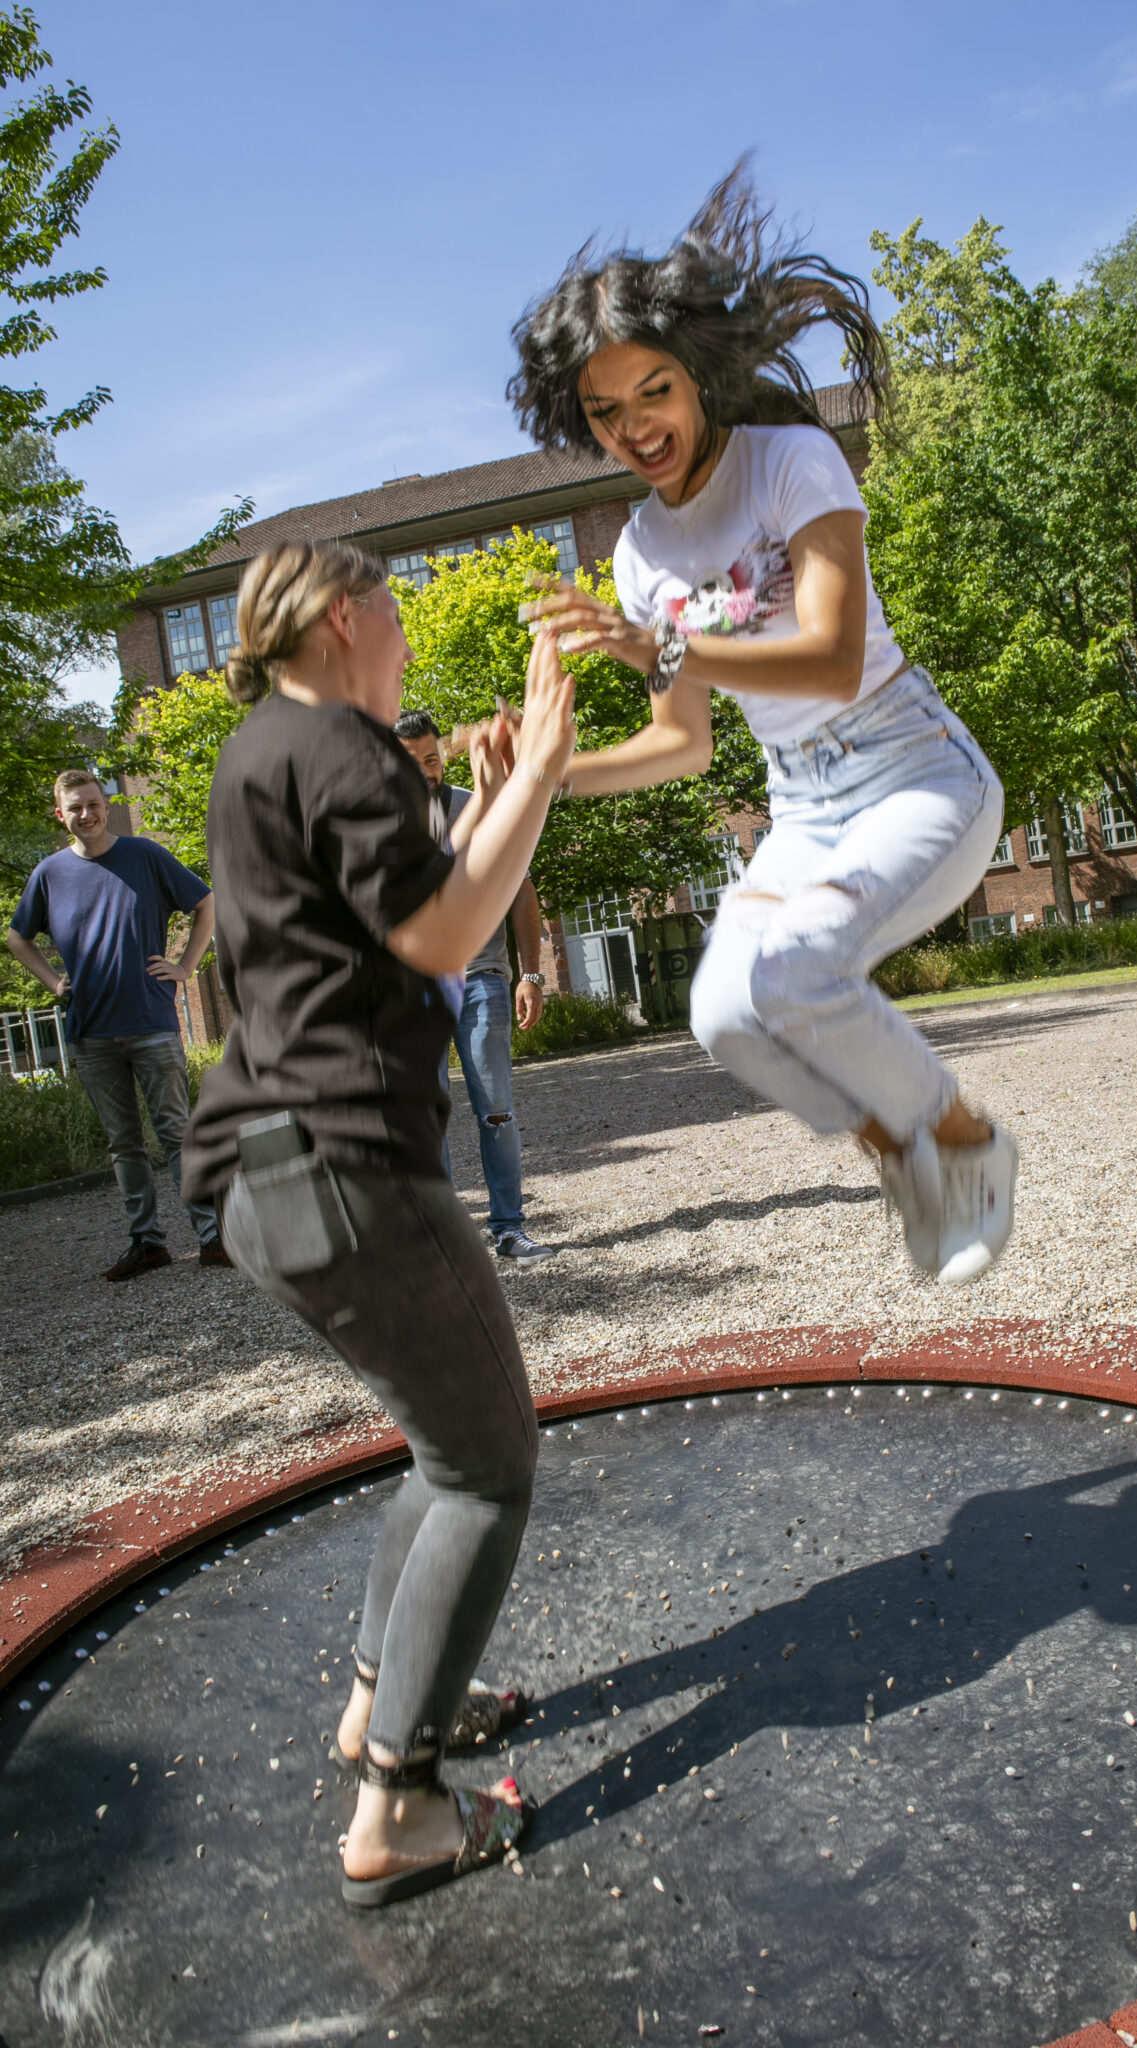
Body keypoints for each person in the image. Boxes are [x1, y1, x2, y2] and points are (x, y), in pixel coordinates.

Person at [506, 167, 1019, 1285]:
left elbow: (833, 656)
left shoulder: (792, 460)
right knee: (724, 1012)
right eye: (605, 412)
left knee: (788, 969)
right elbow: (681, 742)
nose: (636, 428)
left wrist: (669, 647)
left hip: (915, 769)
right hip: (802, 803)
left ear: (694, 373)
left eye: (653, 393)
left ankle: (967, 1139)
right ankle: (895, 1144)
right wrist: (543, 774)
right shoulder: (640, 551)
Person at [182, 540, 577, 1908]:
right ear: (347, 618)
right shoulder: (342, 745)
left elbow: (408, 910)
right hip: (346, 1167)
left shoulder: (263, 754)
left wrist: (477, 806)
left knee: (439, 1443)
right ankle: (396, 1804)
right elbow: (445, 941)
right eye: (395, 614)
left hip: (264, 1175)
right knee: (487, 1463)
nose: (406, 638)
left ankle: (378, 1705)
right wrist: (541, 760)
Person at [6, 769, 228, 1278]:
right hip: (91, 1030)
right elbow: (18, 939)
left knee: (176, 1131)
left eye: (93, 803)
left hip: (151, 1020)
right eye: (75, 808)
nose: (87, 814)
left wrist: (186, 966)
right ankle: (147, 1243)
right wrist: (53, 983)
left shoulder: (146, 856)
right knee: (123, 1143)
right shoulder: (50, 874)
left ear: (106, 805)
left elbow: (206, 903)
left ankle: (213, 1237)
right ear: (60, 815)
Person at [393, 709, 554, 1263]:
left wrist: (530, 974)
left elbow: (520, 889)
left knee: (497, 1109)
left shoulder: (473, 803)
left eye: (433, 759)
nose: (425, 772)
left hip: (483, 977)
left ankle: (509, 1227)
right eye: (411, 764)